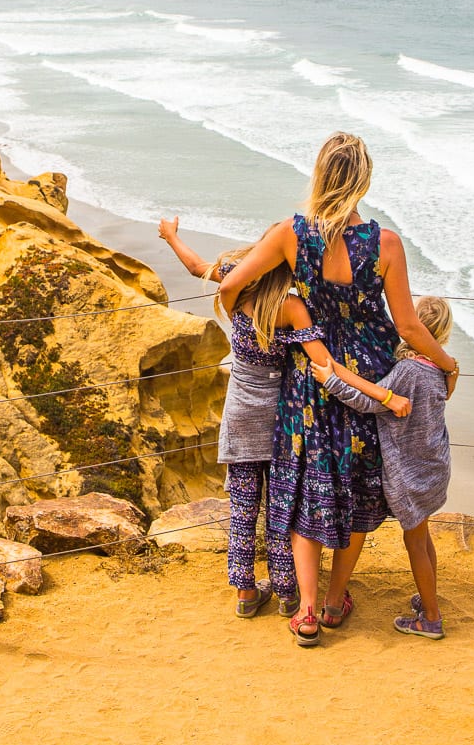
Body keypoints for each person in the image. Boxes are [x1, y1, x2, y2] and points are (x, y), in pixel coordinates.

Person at [218, 133, 458, 643]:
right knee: (356, 496)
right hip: (369, 384)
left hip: (312, 383)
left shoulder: (290, 233)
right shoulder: (385, 243)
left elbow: (228, 284)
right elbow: (411, 327)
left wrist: (248, 321)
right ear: (364, 179)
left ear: (320, 174)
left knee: (310, 489)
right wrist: (448, 364)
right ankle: (332, 603)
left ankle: (306, 609)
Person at [158, 214, 410, 634]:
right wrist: (383, 394)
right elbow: (323, 363)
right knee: (279, 508)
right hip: (276, 420)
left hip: (239, 416)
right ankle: (287, 591)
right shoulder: (292, 308)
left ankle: (244, 592)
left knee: (242, 508)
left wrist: (171, 237)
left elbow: (197, 267)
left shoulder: (237, 291)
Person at [311, 295, 454, 639]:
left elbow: (369, 401)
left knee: (416, 543)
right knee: (423, 536)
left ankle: (431, 619)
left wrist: (330, 380)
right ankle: (427, 598)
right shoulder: (441, 370)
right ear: (443, 335)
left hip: (409, 472)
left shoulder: (407, 371)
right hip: (434, 466)